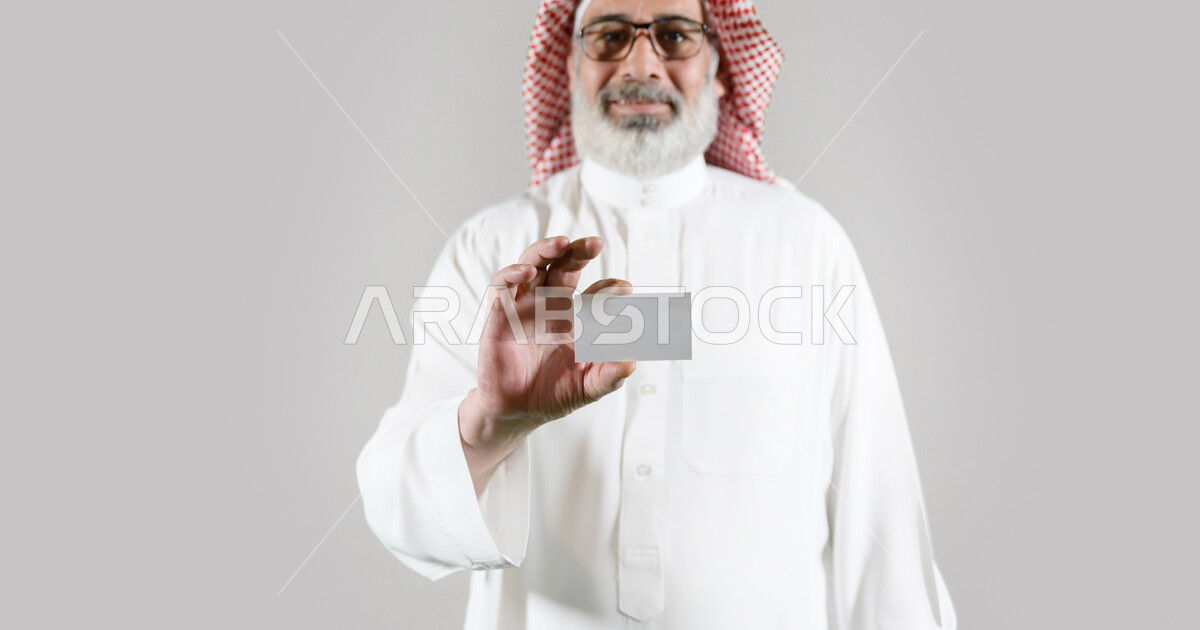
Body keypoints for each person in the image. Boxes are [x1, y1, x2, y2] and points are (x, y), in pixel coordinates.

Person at [356, 0, 957, 627]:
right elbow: (398, 505)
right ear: (567, 65)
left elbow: (880, 524)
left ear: (722, 65)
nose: (641, 63)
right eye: (609, 36)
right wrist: (490, 422)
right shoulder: (490, 251)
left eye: (674, 35)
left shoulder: (805, 244)